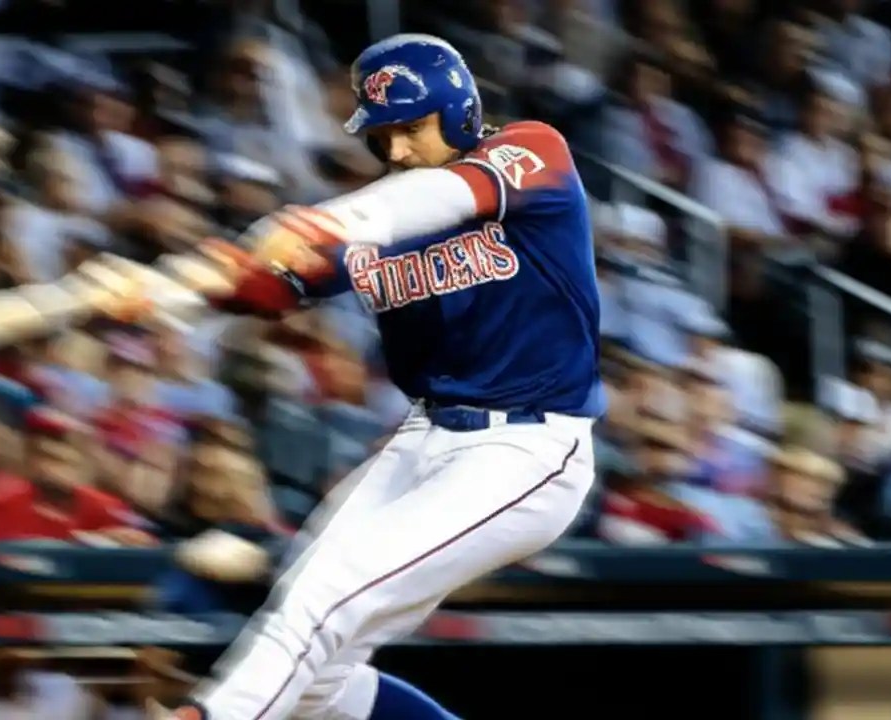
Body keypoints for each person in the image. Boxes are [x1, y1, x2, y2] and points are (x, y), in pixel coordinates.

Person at [154, 34, 603, 720]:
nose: (395, 150)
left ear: (458, 113)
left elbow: (419, 200)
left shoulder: (529, 152)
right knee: (318, 673)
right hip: (425, 435)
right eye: (382, 134)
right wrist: (173, 291)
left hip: (528, 448)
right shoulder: (378, 219)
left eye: (411, 128)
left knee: (324, 597)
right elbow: (264, 288)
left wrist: (322, 222)